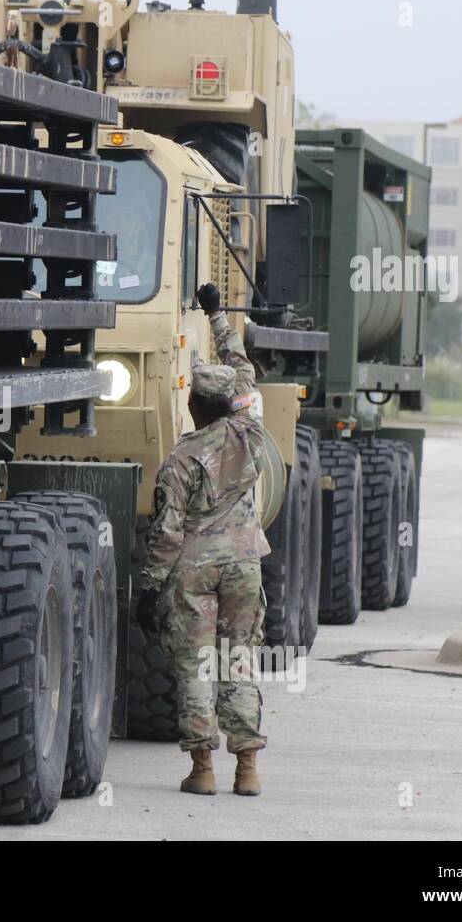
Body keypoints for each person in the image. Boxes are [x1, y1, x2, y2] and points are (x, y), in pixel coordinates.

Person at [137, 282, 270, 796]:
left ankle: (202, 770)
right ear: (232, 403)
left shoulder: (181, 459)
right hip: (243, 563)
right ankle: (248, 771)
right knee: (238, 659)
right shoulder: (252, 432)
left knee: (194, 664)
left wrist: (150, 590)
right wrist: (217, 317)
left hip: (193, 569)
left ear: (194, 406)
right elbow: (242, 368)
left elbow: (166, 535)